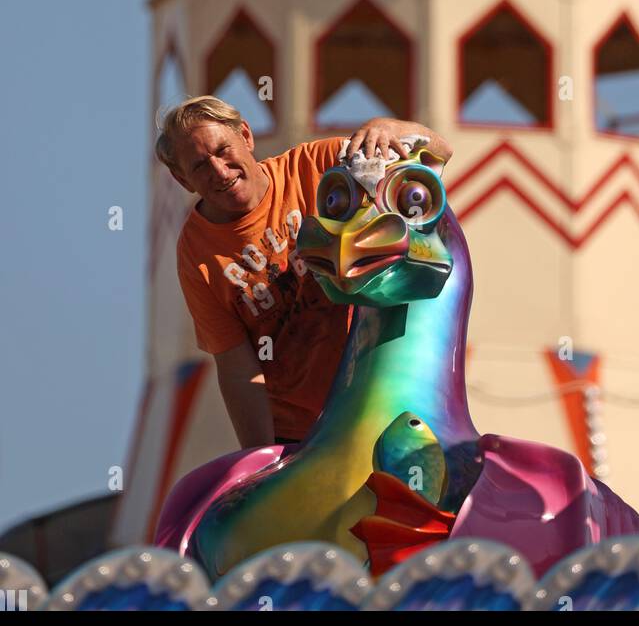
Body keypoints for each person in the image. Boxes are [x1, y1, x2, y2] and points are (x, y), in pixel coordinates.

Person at [154, 96, 452, 450]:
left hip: (383, 401)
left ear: (246, 136)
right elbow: (235, 364)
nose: (219, 171)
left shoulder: (321, 164)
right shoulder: (197, 252)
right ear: (181, 179)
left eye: (223, 150)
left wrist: (392, 127)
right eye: (200, 165)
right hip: (300, 436)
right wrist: (259, 457)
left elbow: (438, 152)